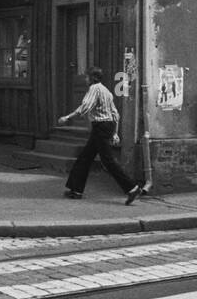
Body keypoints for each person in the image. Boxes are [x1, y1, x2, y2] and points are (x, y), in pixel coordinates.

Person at [59, 66, 148, 205]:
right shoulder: (106, 91)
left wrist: (67, 117)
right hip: (106, 126)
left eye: (87, 77)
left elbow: (85, 106)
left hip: (100, 127)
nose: (85, 80)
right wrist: (115, 133)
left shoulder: (94, 89)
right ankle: (76, 190)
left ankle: (132, 188)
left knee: (108, 160)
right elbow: (115, 114)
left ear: (93, 78)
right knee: (85, 157)